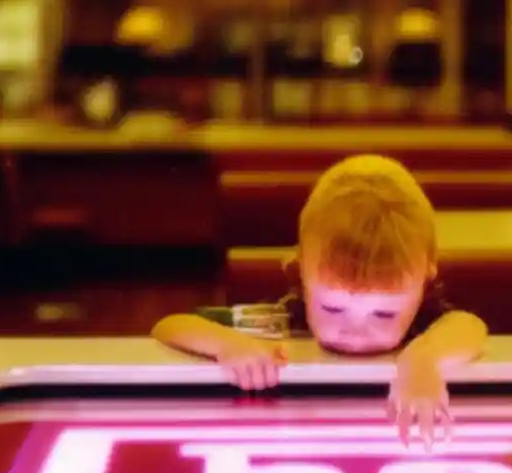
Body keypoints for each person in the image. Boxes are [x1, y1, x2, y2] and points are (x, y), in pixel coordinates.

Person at [152, 154, 488, 448]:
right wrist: (228, 345)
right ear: (300, 276)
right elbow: (169, 327)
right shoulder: (283, 320)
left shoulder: (424, 325)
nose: (355, 331)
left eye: (384, 313)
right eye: (332, 308)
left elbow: (471, 327)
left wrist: (423, 359)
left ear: (424, 283)